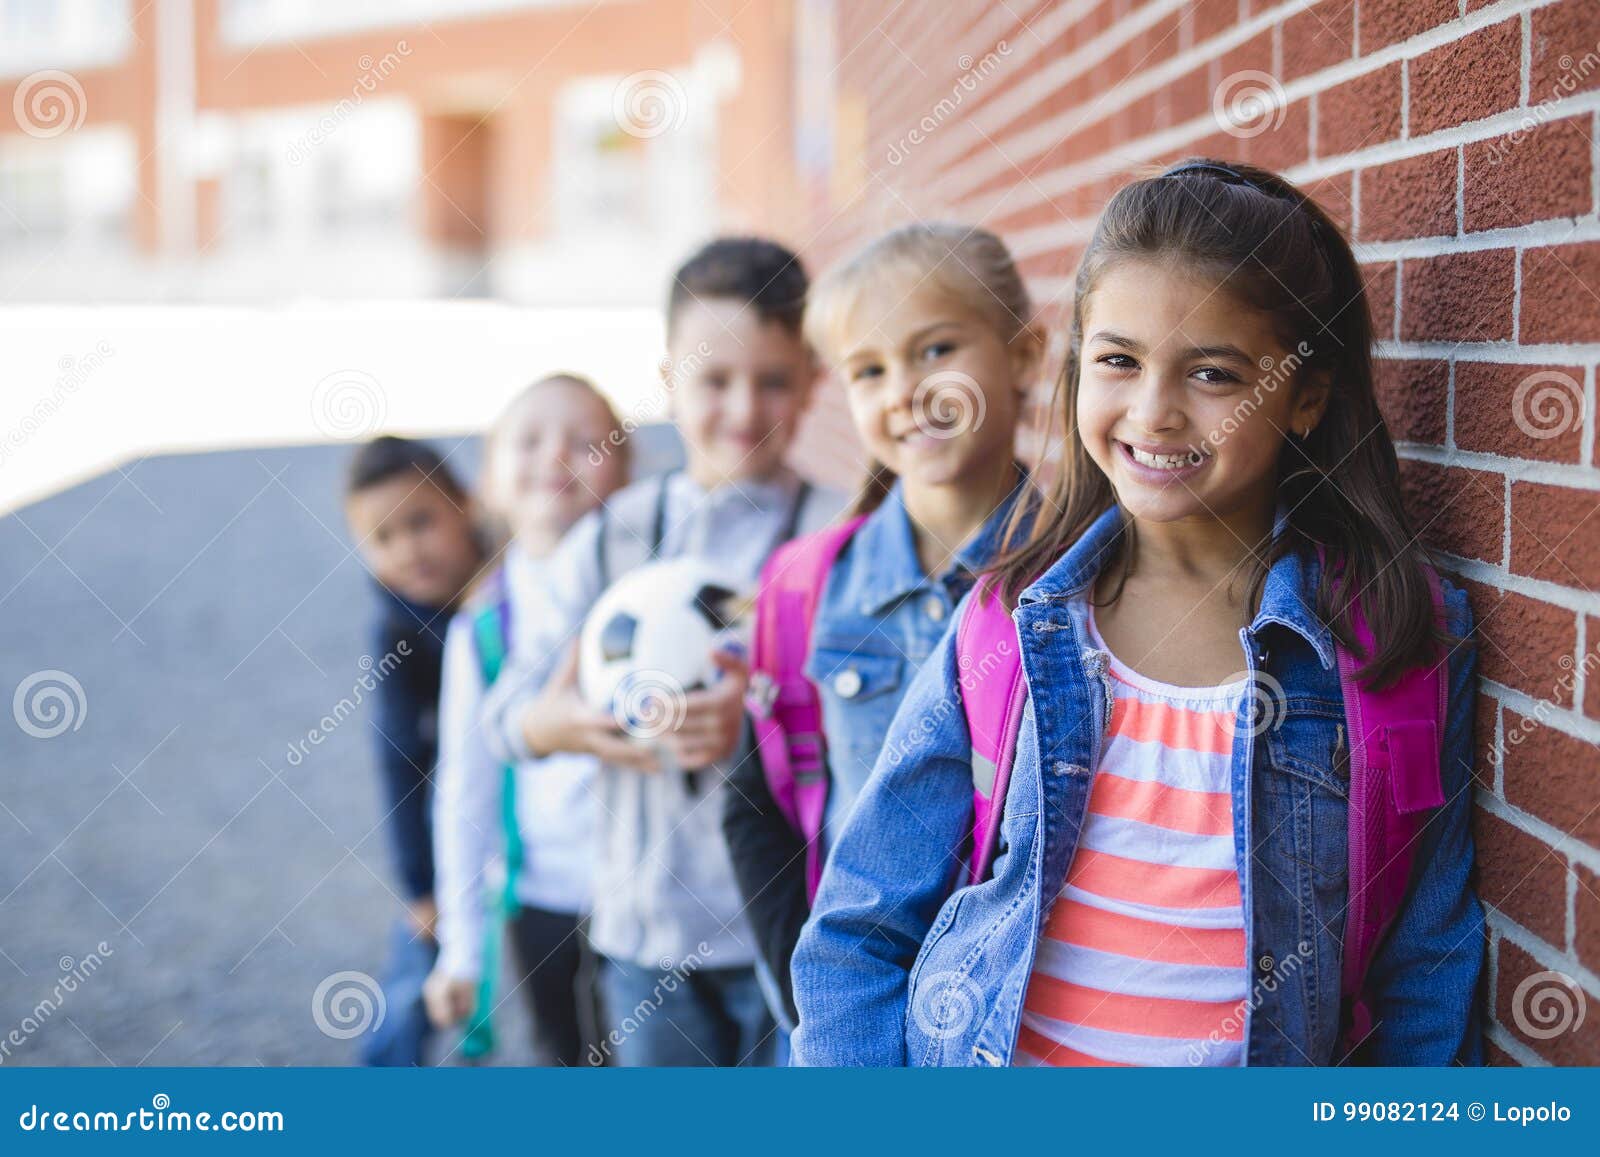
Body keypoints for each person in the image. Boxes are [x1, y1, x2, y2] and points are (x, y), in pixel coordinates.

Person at [790, 159, 1484, 1067]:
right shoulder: (1008, 621)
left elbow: (1425, 967)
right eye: (1118, 360)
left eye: (1213, 374)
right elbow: (860, 925)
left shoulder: (1398, 638)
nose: (1153, 414)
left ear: (1307, 396)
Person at [480, 238, 847, 1066]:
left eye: (774, 380)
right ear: (669, 379)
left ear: (813, 381)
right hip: (647, 942)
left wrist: (762, 716)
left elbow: (877, 725)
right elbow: (504, 721)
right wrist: (565, 723)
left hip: (795, 939)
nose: (744, 409)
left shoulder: (836, 535)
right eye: (715, 380)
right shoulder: (613, 537)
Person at [722, 224, 1040, 1034]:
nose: (902, 388)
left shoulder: (1083, 572)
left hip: (1024, 1018)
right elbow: (758, 807)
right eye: (869, 369)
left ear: (1025, 356)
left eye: (935, 349)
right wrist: (808, 1006)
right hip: (863, 1017)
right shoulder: (805, 587)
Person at [424, 375, 630, 1064]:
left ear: (627, 473)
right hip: (541, 897)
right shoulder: (483, 628)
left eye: (586, 442)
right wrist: (459, 944)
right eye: (530, 439)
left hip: (650, 897)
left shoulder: (648, 592)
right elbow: (464, 789)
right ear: (489, 477)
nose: (557, 457)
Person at [342, 436, 486, 1066]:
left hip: (517, 809)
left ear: (466, 506)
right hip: (447, 826)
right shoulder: (399, 629)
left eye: (422, 522)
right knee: (415, 972)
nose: (408, 549)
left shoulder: (507, 590)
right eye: (383, 537)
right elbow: (398, 758)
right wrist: (421, 887)